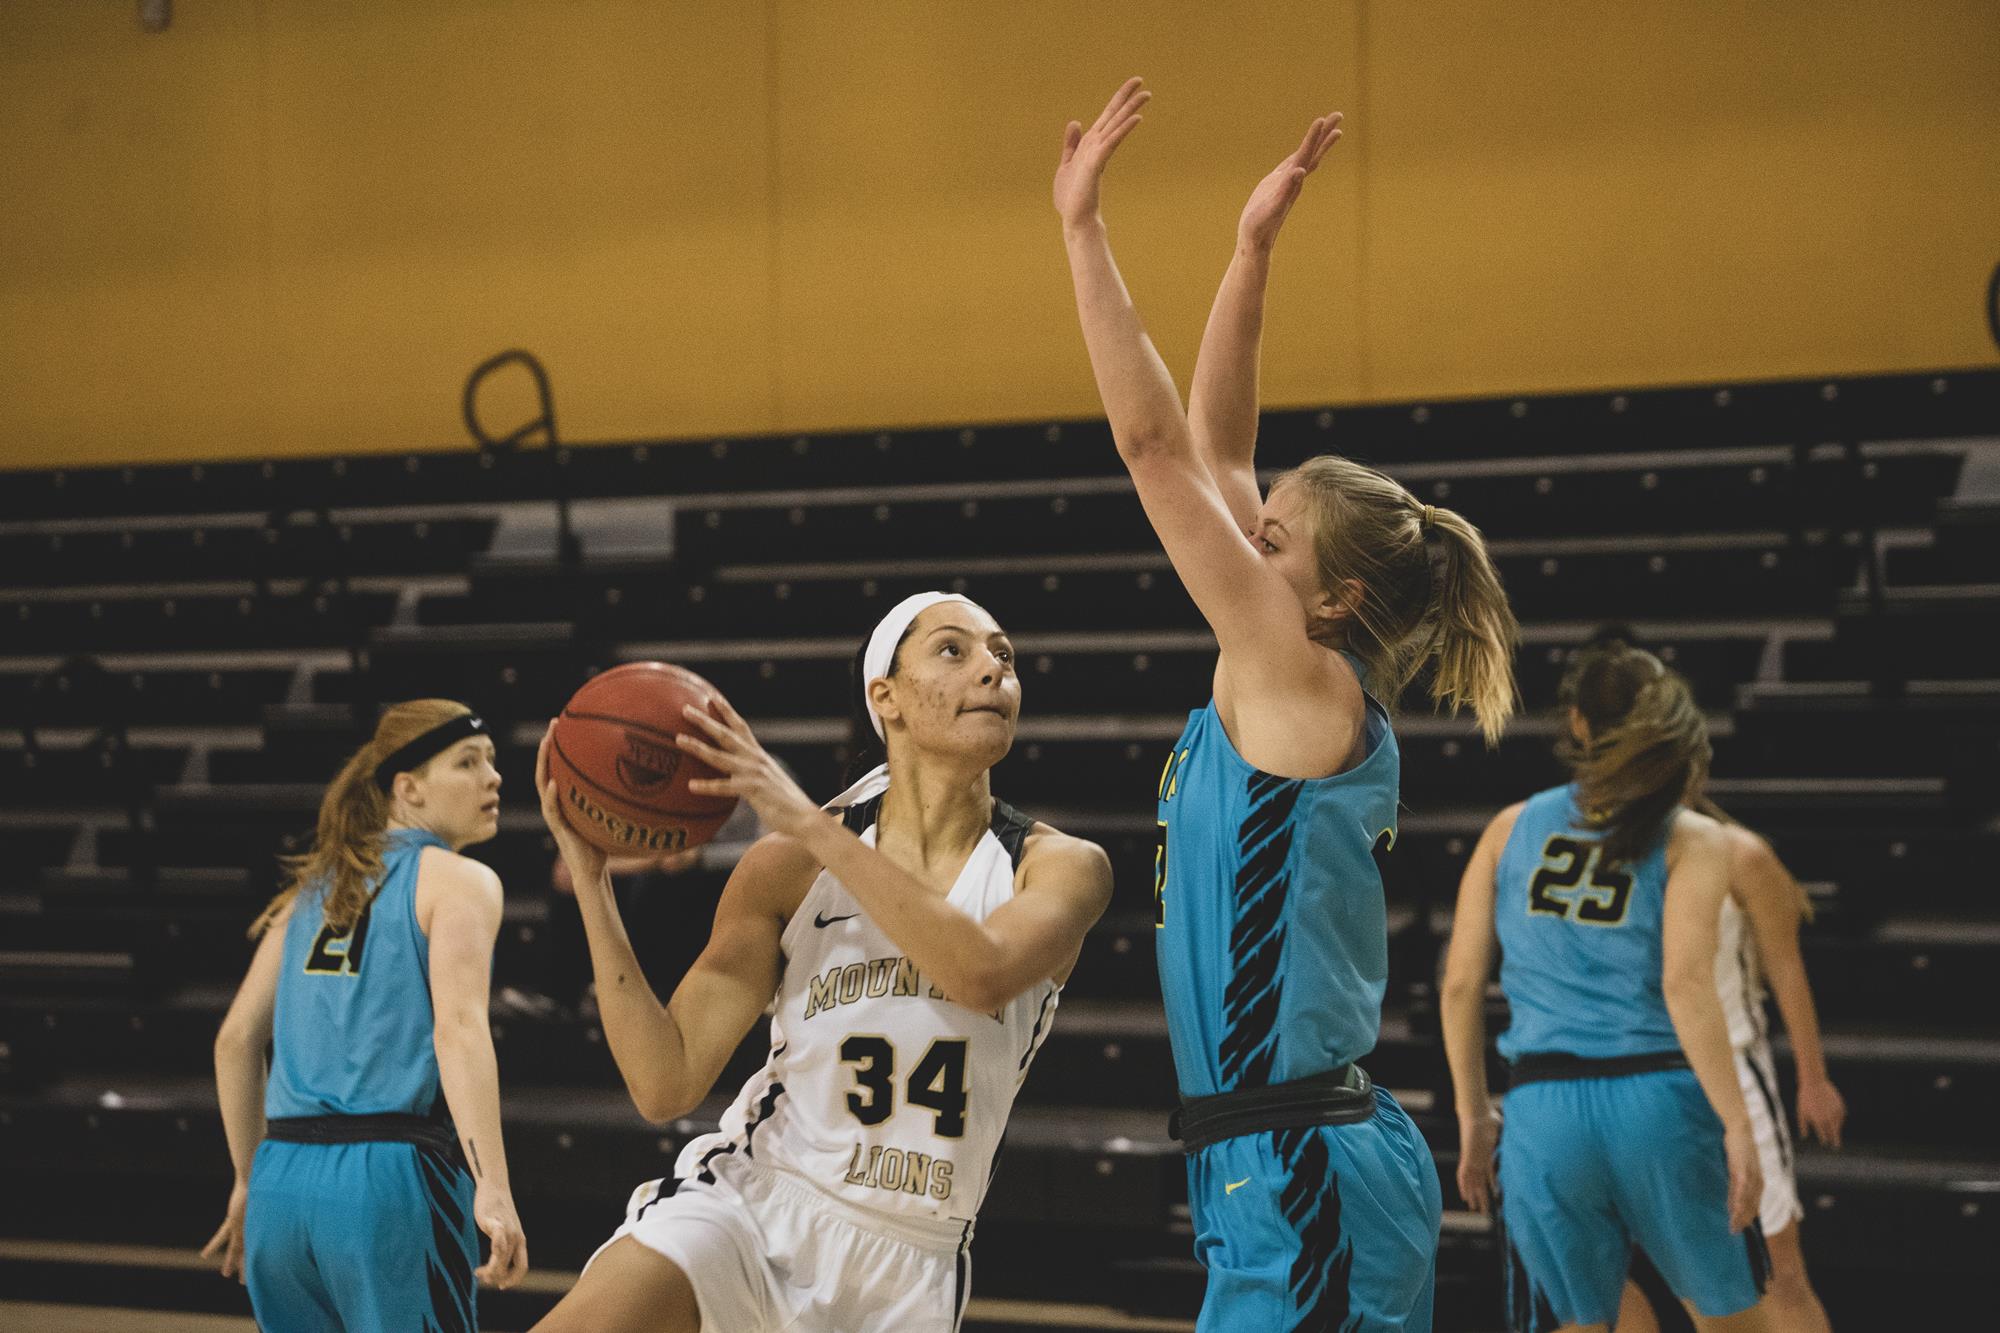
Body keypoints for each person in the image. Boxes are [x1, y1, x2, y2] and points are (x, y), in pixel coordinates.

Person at [1055, 79, 1519, 1329]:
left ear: (1333, 601)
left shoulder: (1296, 674)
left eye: (1267, 541)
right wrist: (1248, 252)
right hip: (1278, 1152)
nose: (1236, 543)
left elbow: (1158, 451)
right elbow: (1214, 448)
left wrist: (1082, 233)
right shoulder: (1295, 662)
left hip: (1300, 1160)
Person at [528, 592, 1115, 1333]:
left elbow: (980, 971)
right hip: (753, 1206)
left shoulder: (1060, 866)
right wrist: (592, 881)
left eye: (1004, 654)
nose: (993, 670)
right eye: (953, 650)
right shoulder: (789, 868)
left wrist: (807, 819)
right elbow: (664, 1080)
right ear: (886, 697)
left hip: (909, 1261)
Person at [1441, 642, 1771, 1333]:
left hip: (1542, 1109)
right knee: (1734, 1322)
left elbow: (1461, 984)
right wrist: (1740, 1126)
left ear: (1577, 724)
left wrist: (1474, 1119)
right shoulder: (1695, 837)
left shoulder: (1508, 828)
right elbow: (1685, 983)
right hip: (1658, 1100)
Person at [204, 699, 528, 1332]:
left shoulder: (312, 888)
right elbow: (459, 1032)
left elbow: (235, 1040)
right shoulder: (461, 881)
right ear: (407, 788)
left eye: (491, 761)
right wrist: (493, 1185)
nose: (492, 778)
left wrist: (248, 1179)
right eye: (467, 762)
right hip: (389, 1181)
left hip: (281, 1183)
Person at [1618, 790, 1844, 1333]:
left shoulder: (1741, 853)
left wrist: (1814, 1078)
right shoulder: (1599, 851)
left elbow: (1787, 970)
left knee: (1778, 1273)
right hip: (1633, 1076)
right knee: (1607, 1276)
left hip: (1734, 1070)